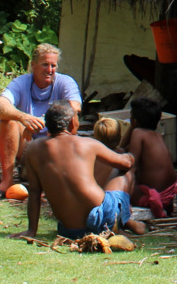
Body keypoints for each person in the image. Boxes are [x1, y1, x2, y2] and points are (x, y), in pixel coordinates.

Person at [10, 101, 147, 242]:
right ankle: (124, 221)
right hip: (103, 218)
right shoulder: (86, 143)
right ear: (71, 123)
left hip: (69, 231)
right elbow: (126, 163)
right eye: (77, 118)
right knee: (127, 172)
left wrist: (32, 230)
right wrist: (131, 151)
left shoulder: (33, 149)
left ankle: (118, 226)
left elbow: (34, 192)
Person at [0, 44, 81, 198]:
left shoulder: (65, 82)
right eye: (45, 64)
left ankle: (62, 174)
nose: (50, 70)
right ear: (33, 65)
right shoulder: (21, 82)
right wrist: (22, 117)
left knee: (73, 117)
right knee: (8, 121)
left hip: (54, 145)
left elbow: (75, 106)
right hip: (29, 147)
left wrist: (42, 122)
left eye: (53, 65)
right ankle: (7, 180)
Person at [125, 97, 177, 217]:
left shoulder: (138, 133)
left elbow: (130, 165)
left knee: (118, 175)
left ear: (134, 121)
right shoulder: (157, 136)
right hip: (169, 194)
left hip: (154, 195)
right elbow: (125, 148)